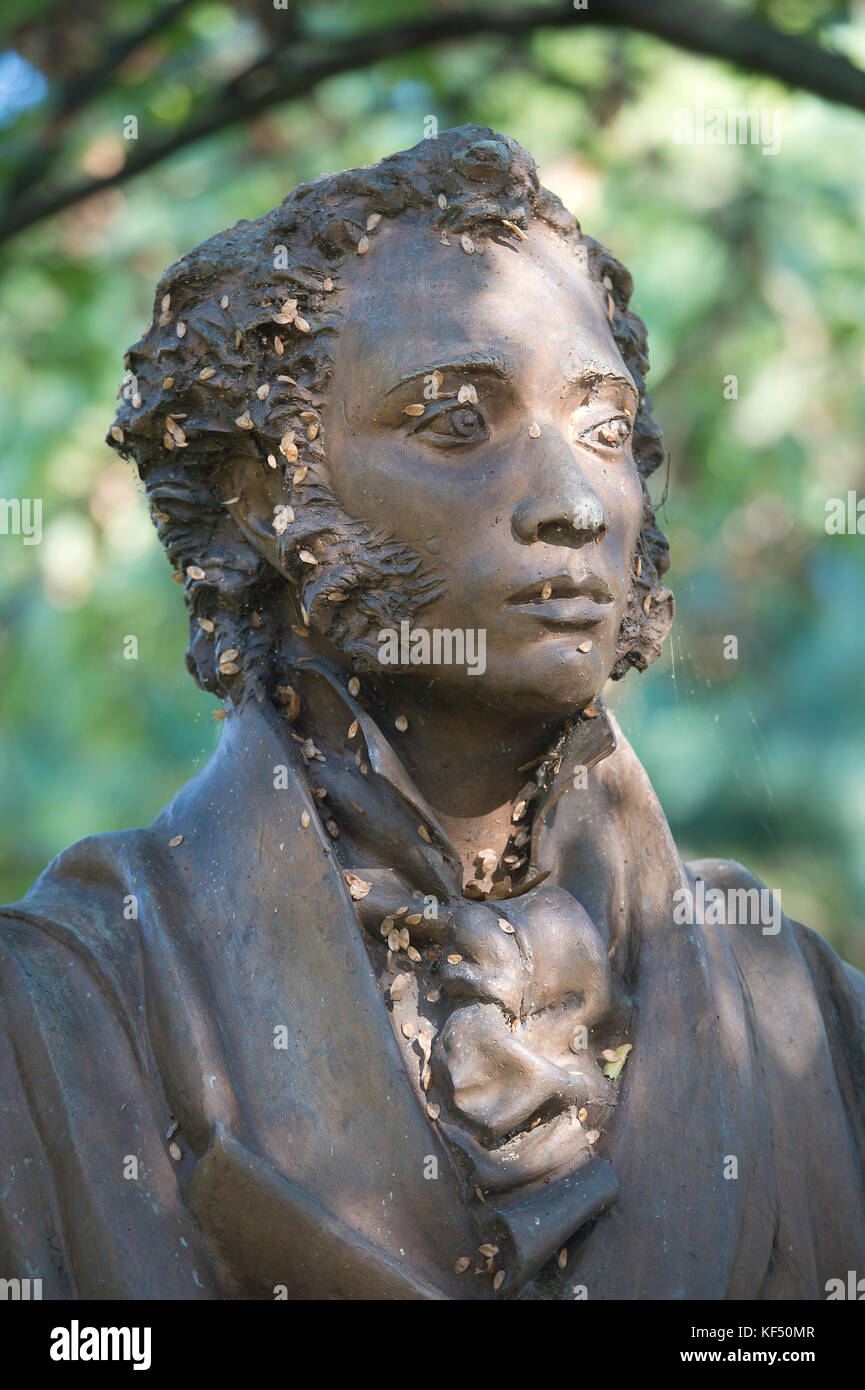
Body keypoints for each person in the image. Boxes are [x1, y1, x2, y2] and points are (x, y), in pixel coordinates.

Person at [2, 126, 863, 1300]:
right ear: (263, 490)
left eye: (605, 432)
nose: (573, 503)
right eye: (455, 421)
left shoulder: (804, 1013)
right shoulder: (55, 1015)